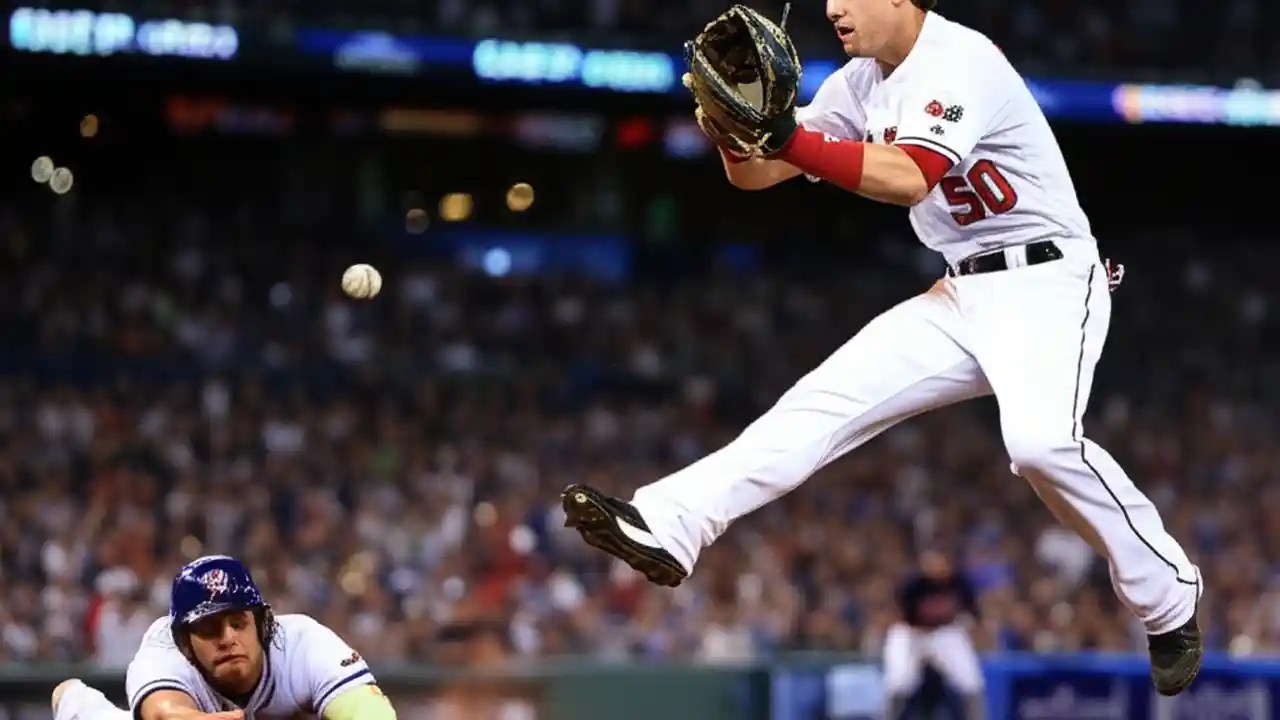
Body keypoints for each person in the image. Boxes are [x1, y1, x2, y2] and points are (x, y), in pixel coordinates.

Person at [560, 0, 1203, 696]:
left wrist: (783, 135)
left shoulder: (962, 59)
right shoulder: (860, 81)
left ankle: (1168, 597)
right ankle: (669, 523)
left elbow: (908, 176)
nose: (832, 6)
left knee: (1040, 443)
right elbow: (756, 174)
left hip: (1050, 280)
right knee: (818, 404)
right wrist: (728, 127)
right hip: (962, 291)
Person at [50, 555, 396, 720]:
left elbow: (369, 712)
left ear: (261, 623)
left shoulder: (301, 641)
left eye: (238, 622)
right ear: (185, 641)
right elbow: (164, 714)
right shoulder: (163, 646)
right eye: (209, 628)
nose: (227, 637)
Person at [884, 550, 984, 719]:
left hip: (944, 634)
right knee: (900, 681)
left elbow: (976, 615)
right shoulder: (915, 584)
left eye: (941, 562)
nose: (936, 567)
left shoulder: (959, 583)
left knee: (971, 681)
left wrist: (974, 632)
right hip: (911, 633)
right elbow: (896, 613)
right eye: (931, 563)